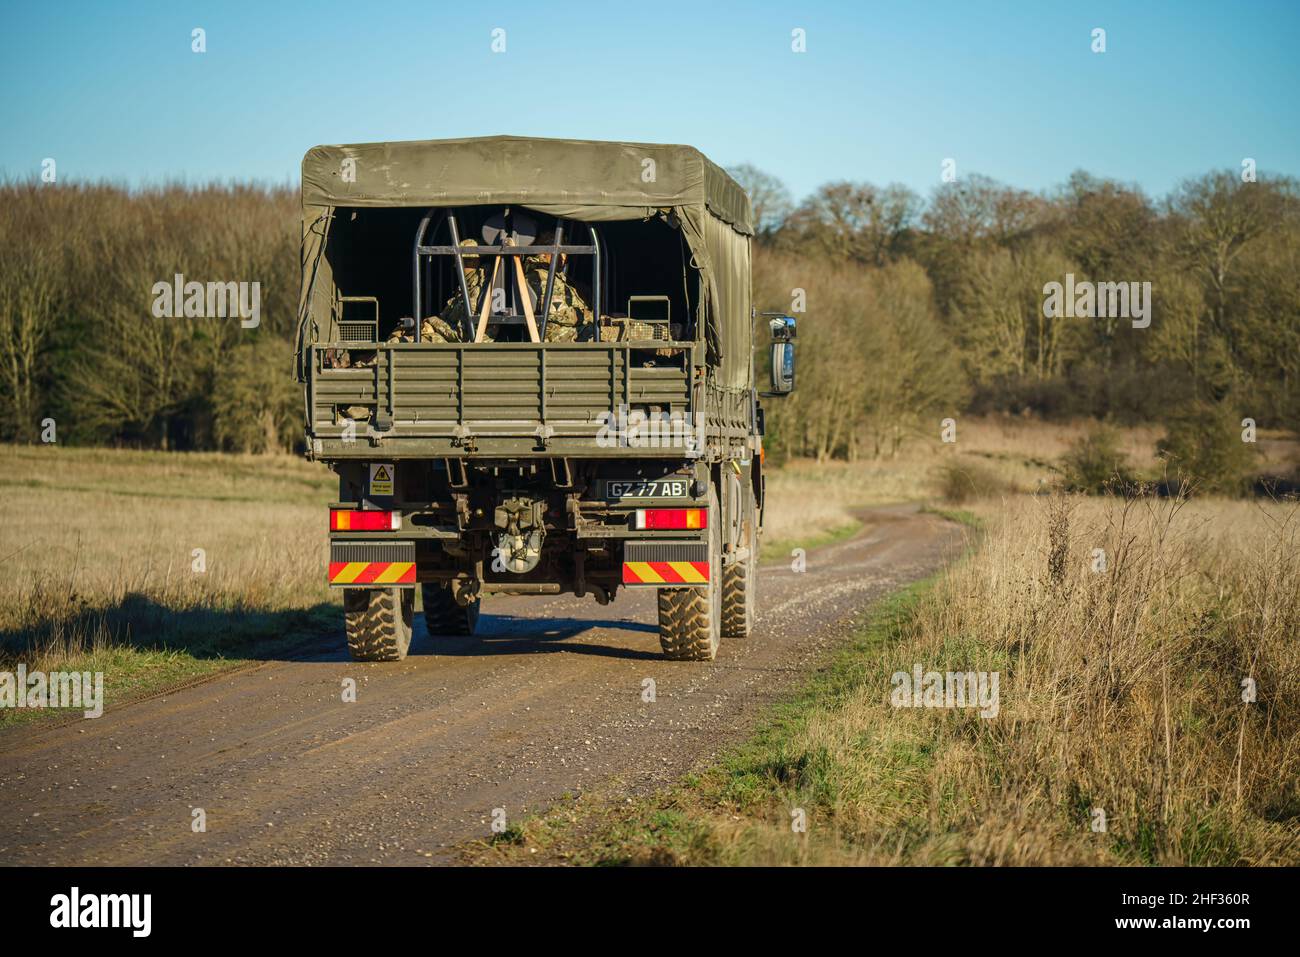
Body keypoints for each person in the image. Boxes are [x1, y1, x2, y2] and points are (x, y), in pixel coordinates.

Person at [526, 229, 592, 342]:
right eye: (559, 252)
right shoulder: (539, 275)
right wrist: (592, 317)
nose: (564, 257)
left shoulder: (554, 275)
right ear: (543, 252)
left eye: (565, 252)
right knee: (625, 331)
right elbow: (557, 313)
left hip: (568, 329)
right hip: (556, 334)